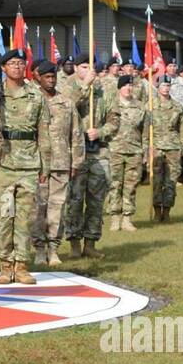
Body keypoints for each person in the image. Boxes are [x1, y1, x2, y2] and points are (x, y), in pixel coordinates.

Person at [0, 49, 50, 284]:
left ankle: (22, 264)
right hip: (3, 164)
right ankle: (5, 265)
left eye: (20, 63)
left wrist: (46, 164)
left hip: (29, 163)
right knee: (4, 216)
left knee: (25, 217)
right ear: (3, 68)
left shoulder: (36, 94)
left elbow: (44, 131)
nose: (17, 67)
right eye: (11, 63)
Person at [63, 59, 114, 258]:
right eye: (84, 67)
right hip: (77, 151)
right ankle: (74, 244)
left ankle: (91, 243)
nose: (88, 70)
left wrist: (101, 131)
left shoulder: (104, 89)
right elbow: (67, 107)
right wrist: (85, 86)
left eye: (91, 67)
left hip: (98, 152)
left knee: (96, 201)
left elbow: (114, 117)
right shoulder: (67, 86)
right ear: (76, 68)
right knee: (74, 199)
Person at [33, 59, 75, 267]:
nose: (50, 81)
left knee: (57, 207)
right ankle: (39, 249)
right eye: (47, 77)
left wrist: (76, 161)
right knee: (39, 208)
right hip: (37, 164)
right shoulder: (32, 100)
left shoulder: (66, 102)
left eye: (53, 77)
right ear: (37, 77)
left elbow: (75, 133)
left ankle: (53, 248)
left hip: (61, 163)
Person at [105, 74, 147, 231]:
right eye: (125, 86)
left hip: (134, 150)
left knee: (131, 186)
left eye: (131, 86)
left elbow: (145, 131)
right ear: (119, 88)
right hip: (114, 150)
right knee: (115, 184)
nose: (128, 88)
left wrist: (146, 150)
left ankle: (127, 218)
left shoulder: (140, 106)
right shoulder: (111, 105)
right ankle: (115, 217)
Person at [149, 78, 183, 222]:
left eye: (168, 85)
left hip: (173, 147)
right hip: (157, 147)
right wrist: (147, 146)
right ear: (158, 88)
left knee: (171, 181)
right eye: (163, 85)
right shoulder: (151, 106)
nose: (166, 88)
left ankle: (167, 211)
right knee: (156, 180)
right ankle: (157, 211)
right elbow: (146, 129)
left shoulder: (177, 107)